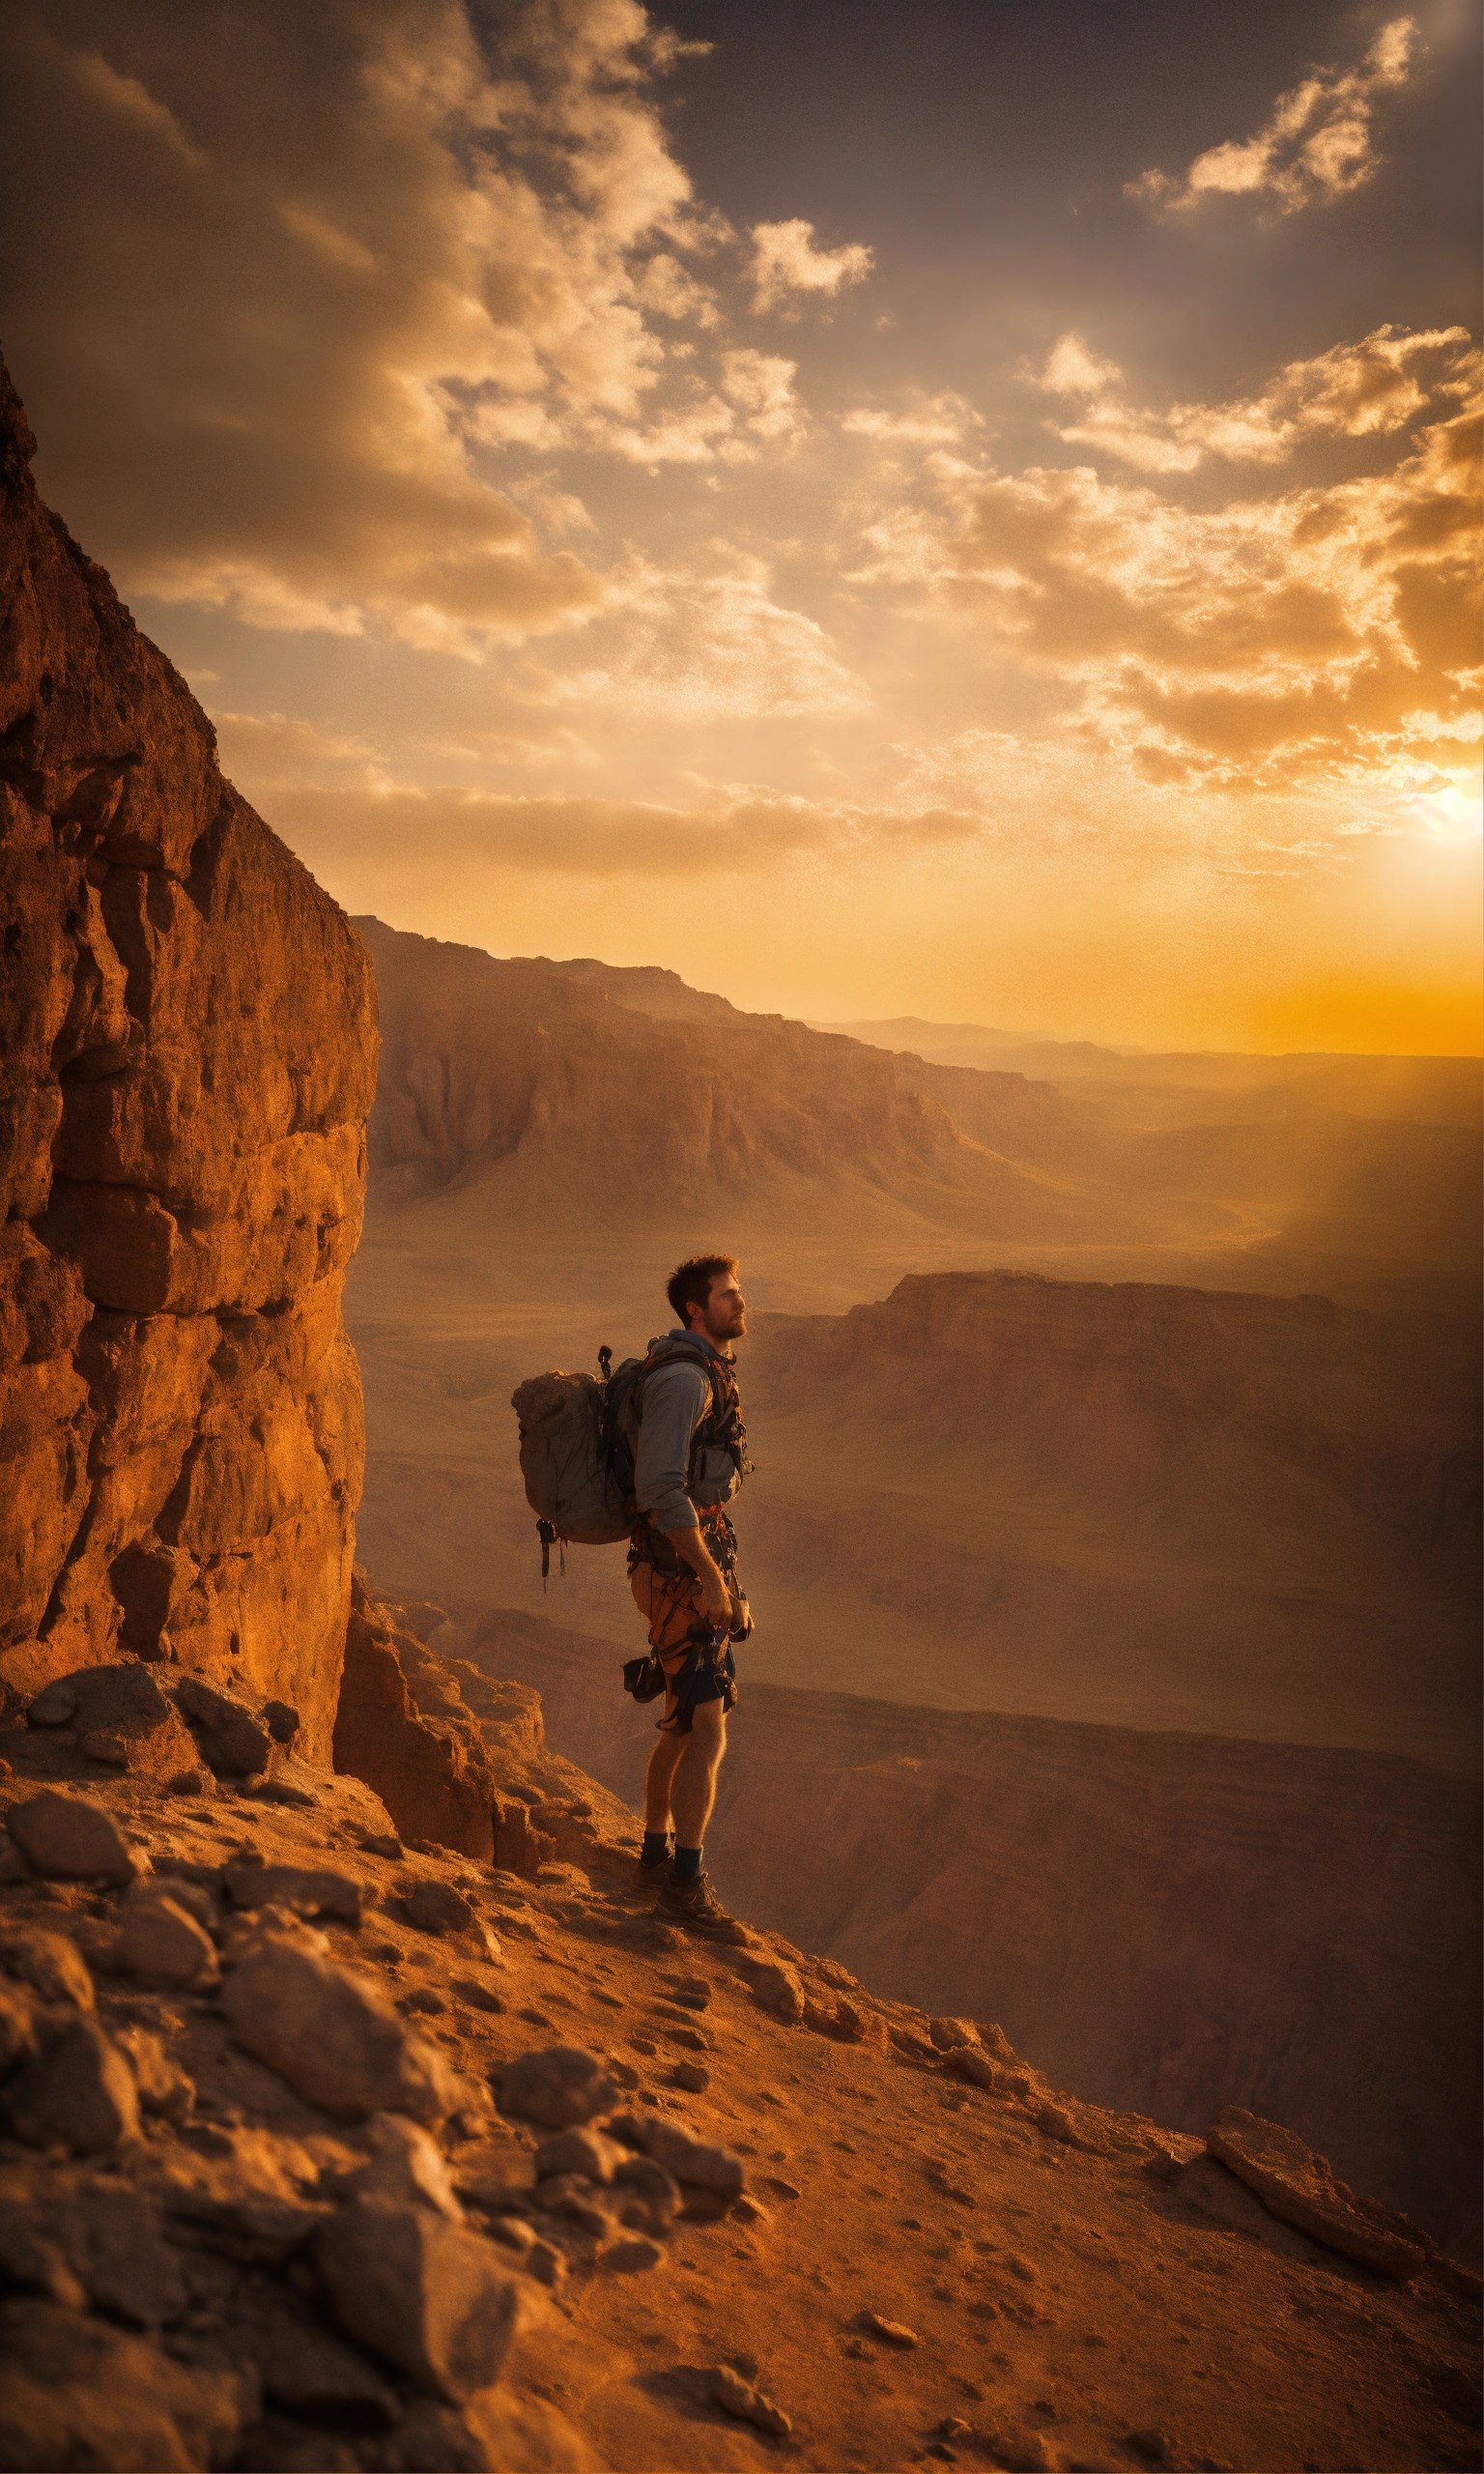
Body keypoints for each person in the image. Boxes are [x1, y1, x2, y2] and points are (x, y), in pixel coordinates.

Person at [626, 1252, 753, 1933]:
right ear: (694, 1310)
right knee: (708, 1727)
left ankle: (652, 1855)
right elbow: (660, 1490)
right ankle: (684, 1880)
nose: (741, 1302)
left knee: (680, 1718)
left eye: (739, 1291)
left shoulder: (702, 1373)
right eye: (728, 1295)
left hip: (683, 1571)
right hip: (679, 1577)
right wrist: (708, 1579)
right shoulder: (684, 1382)